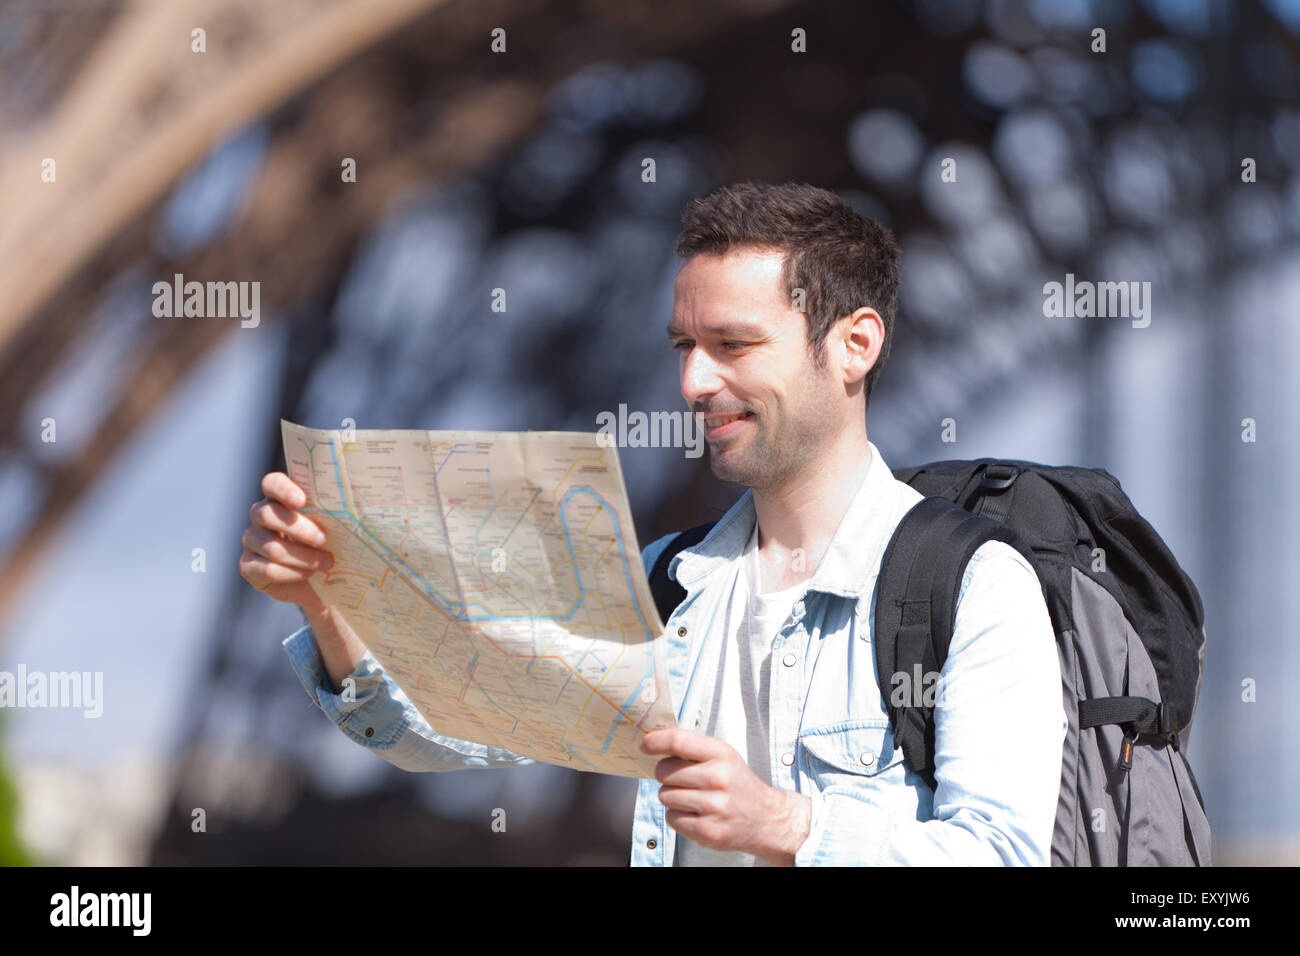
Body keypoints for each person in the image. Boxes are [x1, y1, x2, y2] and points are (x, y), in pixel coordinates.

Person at [239, 181, 1066, 866]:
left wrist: (786, 826)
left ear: (855, 345)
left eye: (734, 345)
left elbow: (1006, 856)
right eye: (684, 345)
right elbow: (448, 733)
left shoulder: (975, 587)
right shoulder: (668, 584)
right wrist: (328, 601)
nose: (694, 383)